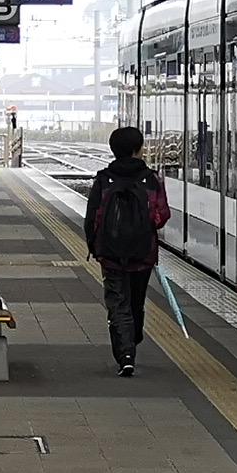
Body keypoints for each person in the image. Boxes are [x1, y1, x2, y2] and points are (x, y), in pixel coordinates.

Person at [82, 123, 170, 377]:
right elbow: (161, 215)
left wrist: (94, 247)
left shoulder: (104, 179)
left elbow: (92, 218)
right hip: (143, 254)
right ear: (137, 149)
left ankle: (125, 353)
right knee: (136, 301)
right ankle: (133, 340)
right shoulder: (152, 179)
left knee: (118, 302)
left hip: (110, 254)